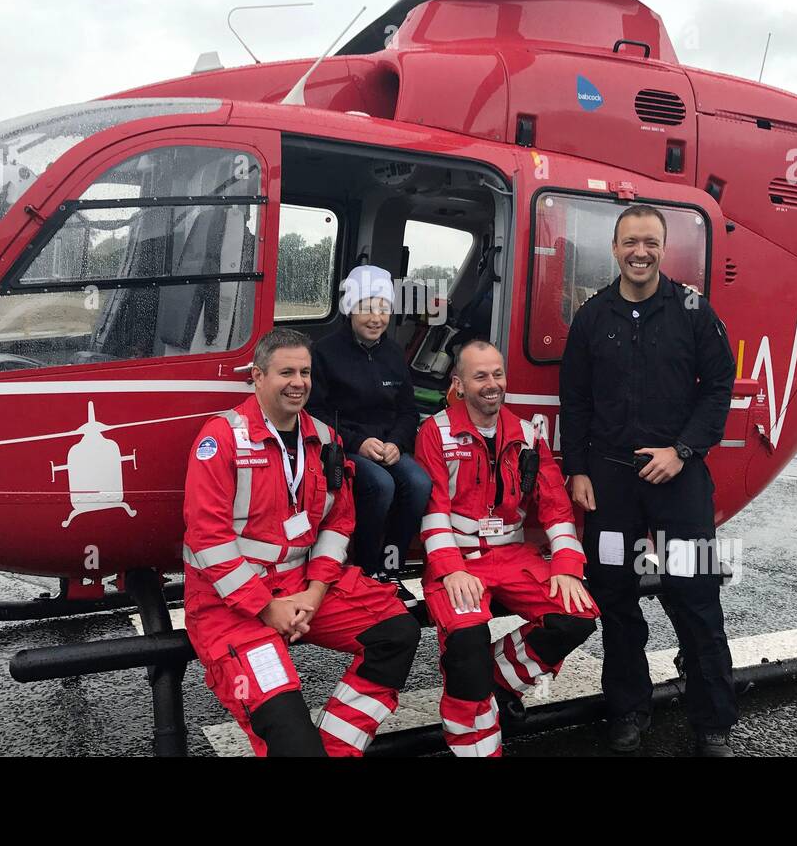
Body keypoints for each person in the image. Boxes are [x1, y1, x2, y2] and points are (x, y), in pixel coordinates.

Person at [181, 328, 421, 756]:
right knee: (287, 732)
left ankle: (333, 748)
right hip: (231, 605)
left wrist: (314, 590)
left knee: (398, 631)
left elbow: (338, 522)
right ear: (256, 377)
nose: (298, 382)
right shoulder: (221, 440)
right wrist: (264, 606)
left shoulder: (325, 440)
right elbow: (207, 539)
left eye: (305, 372)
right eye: (286, 372)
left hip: (301, 587)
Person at [559, 203, 739, 757]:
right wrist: (578, 469)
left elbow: (718, 386)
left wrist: (683, 451)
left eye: (651, 242)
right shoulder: (592, 317)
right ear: (615, 249)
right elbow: (576, 400)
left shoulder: (692, 308)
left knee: (696, 595)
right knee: (615, 598)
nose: (641, 252)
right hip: (613, 488)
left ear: (664, 248)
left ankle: (712, 721)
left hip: (679, 483)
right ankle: (627, 711)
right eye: (630, 242)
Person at [416, 339, 598, 757]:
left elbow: (554, 507)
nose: (492, 384)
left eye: (497, 373)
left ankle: (493, 679)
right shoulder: (435, 432)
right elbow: (433, 509)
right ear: (459, 384)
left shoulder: (527, 434)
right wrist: (448, 568)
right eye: (480, 376)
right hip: (458, 560)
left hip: (512, 556)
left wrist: (568, 567)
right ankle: (477, 746)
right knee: (465, 648)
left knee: (576, 617)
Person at [308, 265, 432, 579]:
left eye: (384, 308)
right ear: (350, 308)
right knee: (380, 485)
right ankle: (366, 569)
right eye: (366, 307)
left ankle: (391, 566)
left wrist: (397, 443)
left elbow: (408, 411)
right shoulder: (323, 353)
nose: (376, 317)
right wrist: (356, 444)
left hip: (387, 446)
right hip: (344, 447)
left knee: (419, 484)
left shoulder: (393, 354)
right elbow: (314, 413)